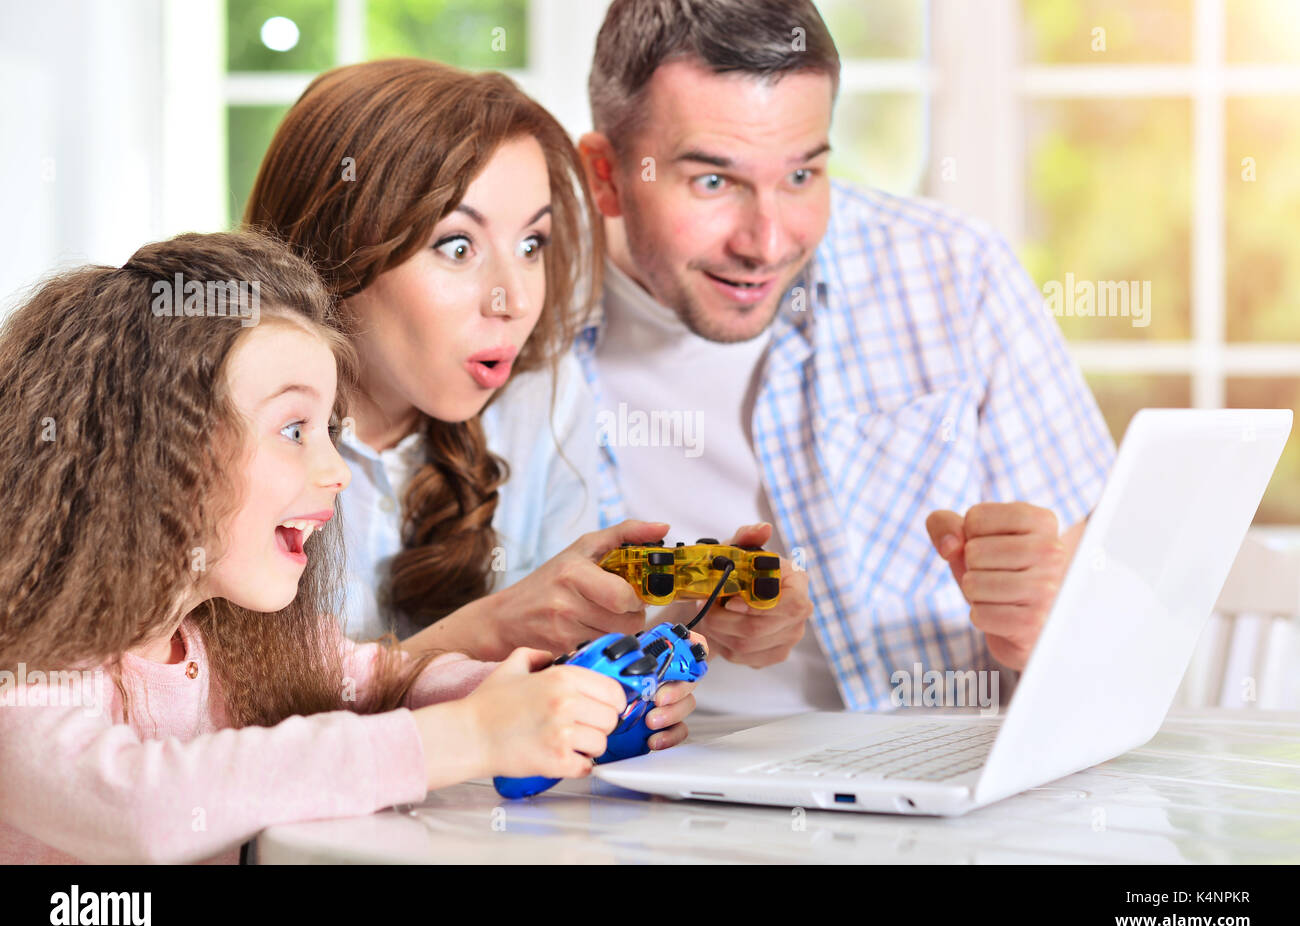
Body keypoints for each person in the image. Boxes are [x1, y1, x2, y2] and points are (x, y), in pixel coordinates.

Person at [0, 231, 700, 864]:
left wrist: (556, 697)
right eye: (294, 428)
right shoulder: (27, 669)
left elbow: (376, 676)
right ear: (155, 447)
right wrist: (464, 737)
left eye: (329, 427)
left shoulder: (224, 644)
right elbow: (143, 807)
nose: (335, 469)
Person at [571, 0, 1116, 714]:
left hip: (936, 784)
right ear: (606, 175)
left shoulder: (953, 273)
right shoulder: (513, 329)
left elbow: (1120, 602)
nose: (767, 243)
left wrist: (1051, 627)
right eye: (713, 181)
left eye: (801, 176)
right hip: (637, 797)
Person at [245, 59, 681, 667]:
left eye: (533, 245)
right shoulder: (218, 426)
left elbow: (560, 677)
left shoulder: (543, 401)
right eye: (457, 246)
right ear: (330, 253)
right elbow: (226, 733)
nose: (517, 300)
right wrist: (486, 630)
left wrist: (657, 650)